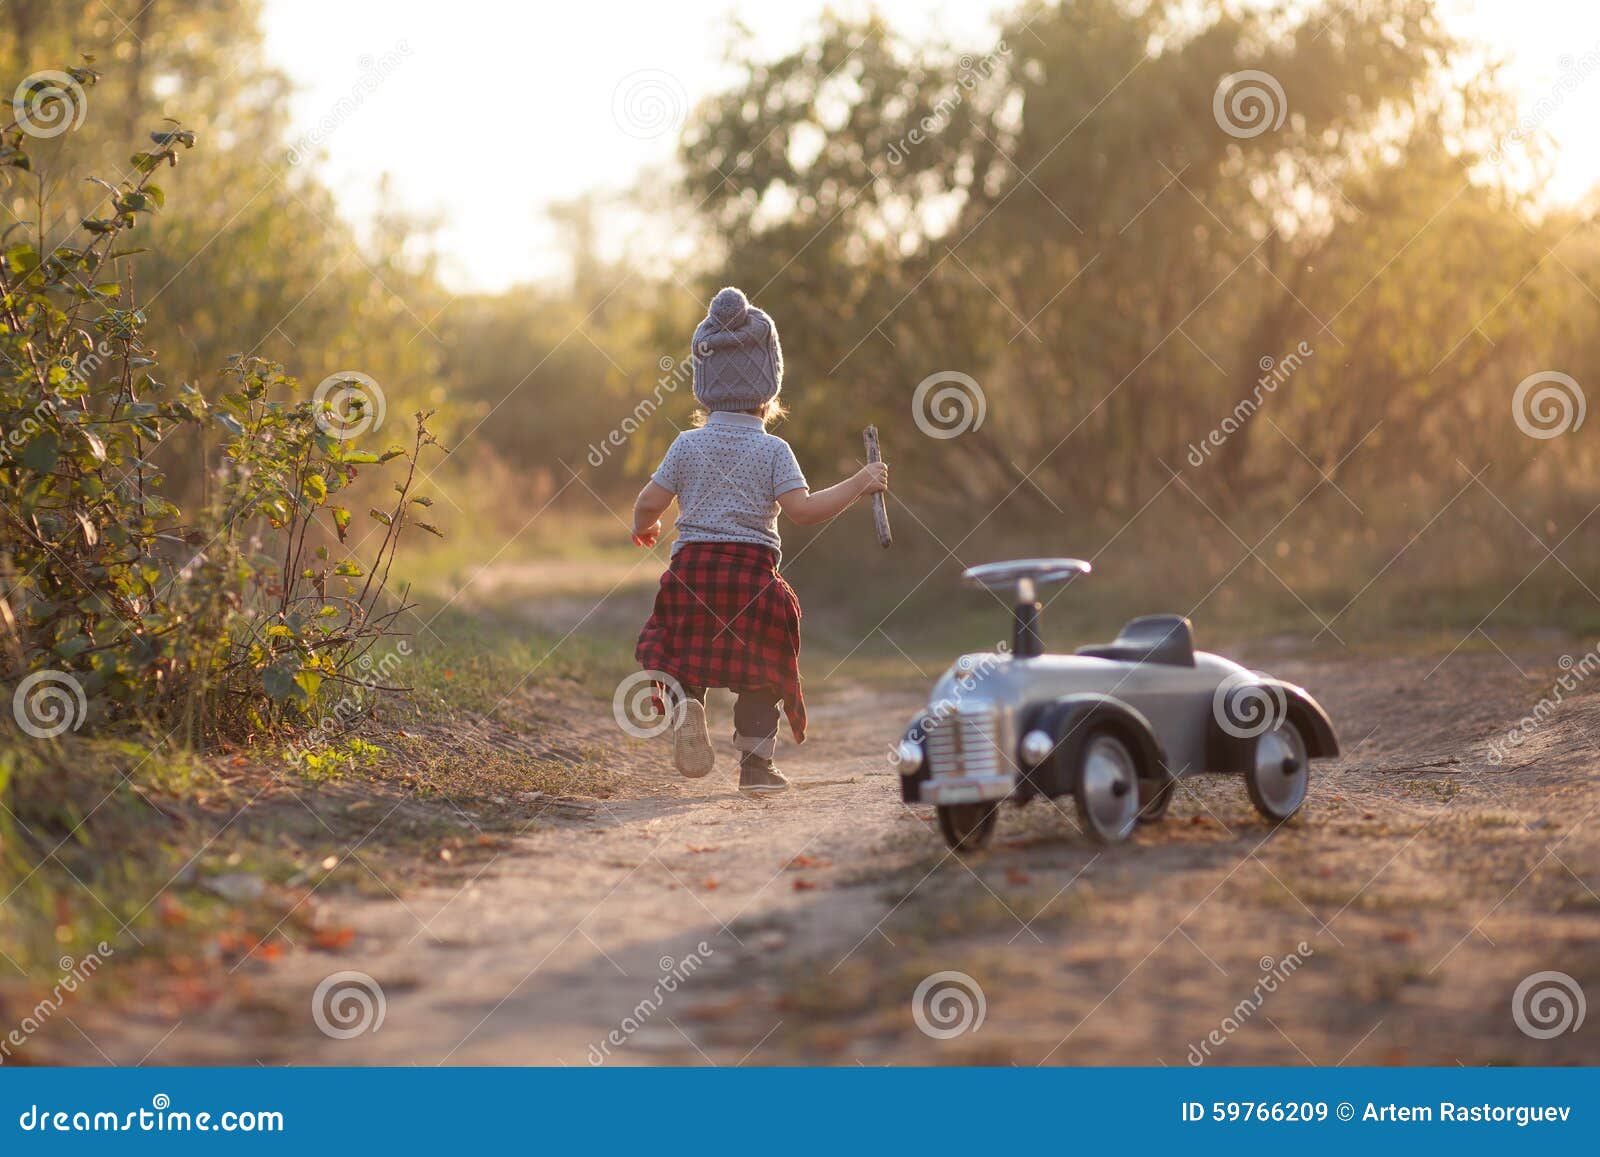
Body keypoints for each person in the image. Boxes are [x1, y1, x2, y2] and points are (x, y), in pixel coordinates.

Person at [631, 286, 889, 792]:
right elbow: (804, 511)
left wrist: (646, 528)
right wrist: (861, 483)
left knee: (686, 653)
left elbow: (648, 503)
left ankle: (687, 701)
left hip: (693, 576)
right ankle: (755, 766)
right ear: (770, 388)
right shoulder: (773, 452)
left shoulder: (687, 445)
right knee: (761, 671)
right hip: (750, 580)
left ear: (705, 386)